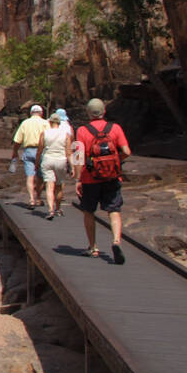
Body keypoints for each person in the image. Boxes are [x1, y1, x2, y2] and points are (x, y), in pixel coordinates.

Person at [72, 97, 132, 263]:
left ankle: (93, 247)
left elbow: (78, 158)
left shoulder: (82, 131)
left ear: (88, 113)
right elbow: (127, 151)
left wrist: (78, 179)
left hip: (90, 178)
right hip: (112, 176)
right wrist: (116, 161)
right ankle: (116, 241)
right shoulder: (116, 128)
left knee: (88, 211)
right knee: (114, 210)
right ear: (104, 111)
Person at [10, 104, 48, 208]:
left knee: (30, 176)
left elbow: (18, 140)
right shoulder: (46, 123)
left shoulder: (25, 123)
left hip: (29, 150)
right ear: (41, 113)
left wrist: (15, 151)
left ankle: (31, 199)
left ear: (31, 113)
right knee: (40, 176)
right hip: (42, 151)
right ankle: (39, 198)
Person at [36, 112, 72, 218]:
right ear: (59, 123)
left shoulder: (44, 133)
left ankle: (50, 210)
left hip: (48, 159)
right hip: (61, 160)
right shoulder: (66, 135)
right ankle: (58, 208)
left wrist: (37, 163)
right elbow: (69, 152)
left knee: (49, 186)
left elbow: (39, 150)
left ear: (50, 122)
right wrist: (72, 166)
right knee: (59, 186)